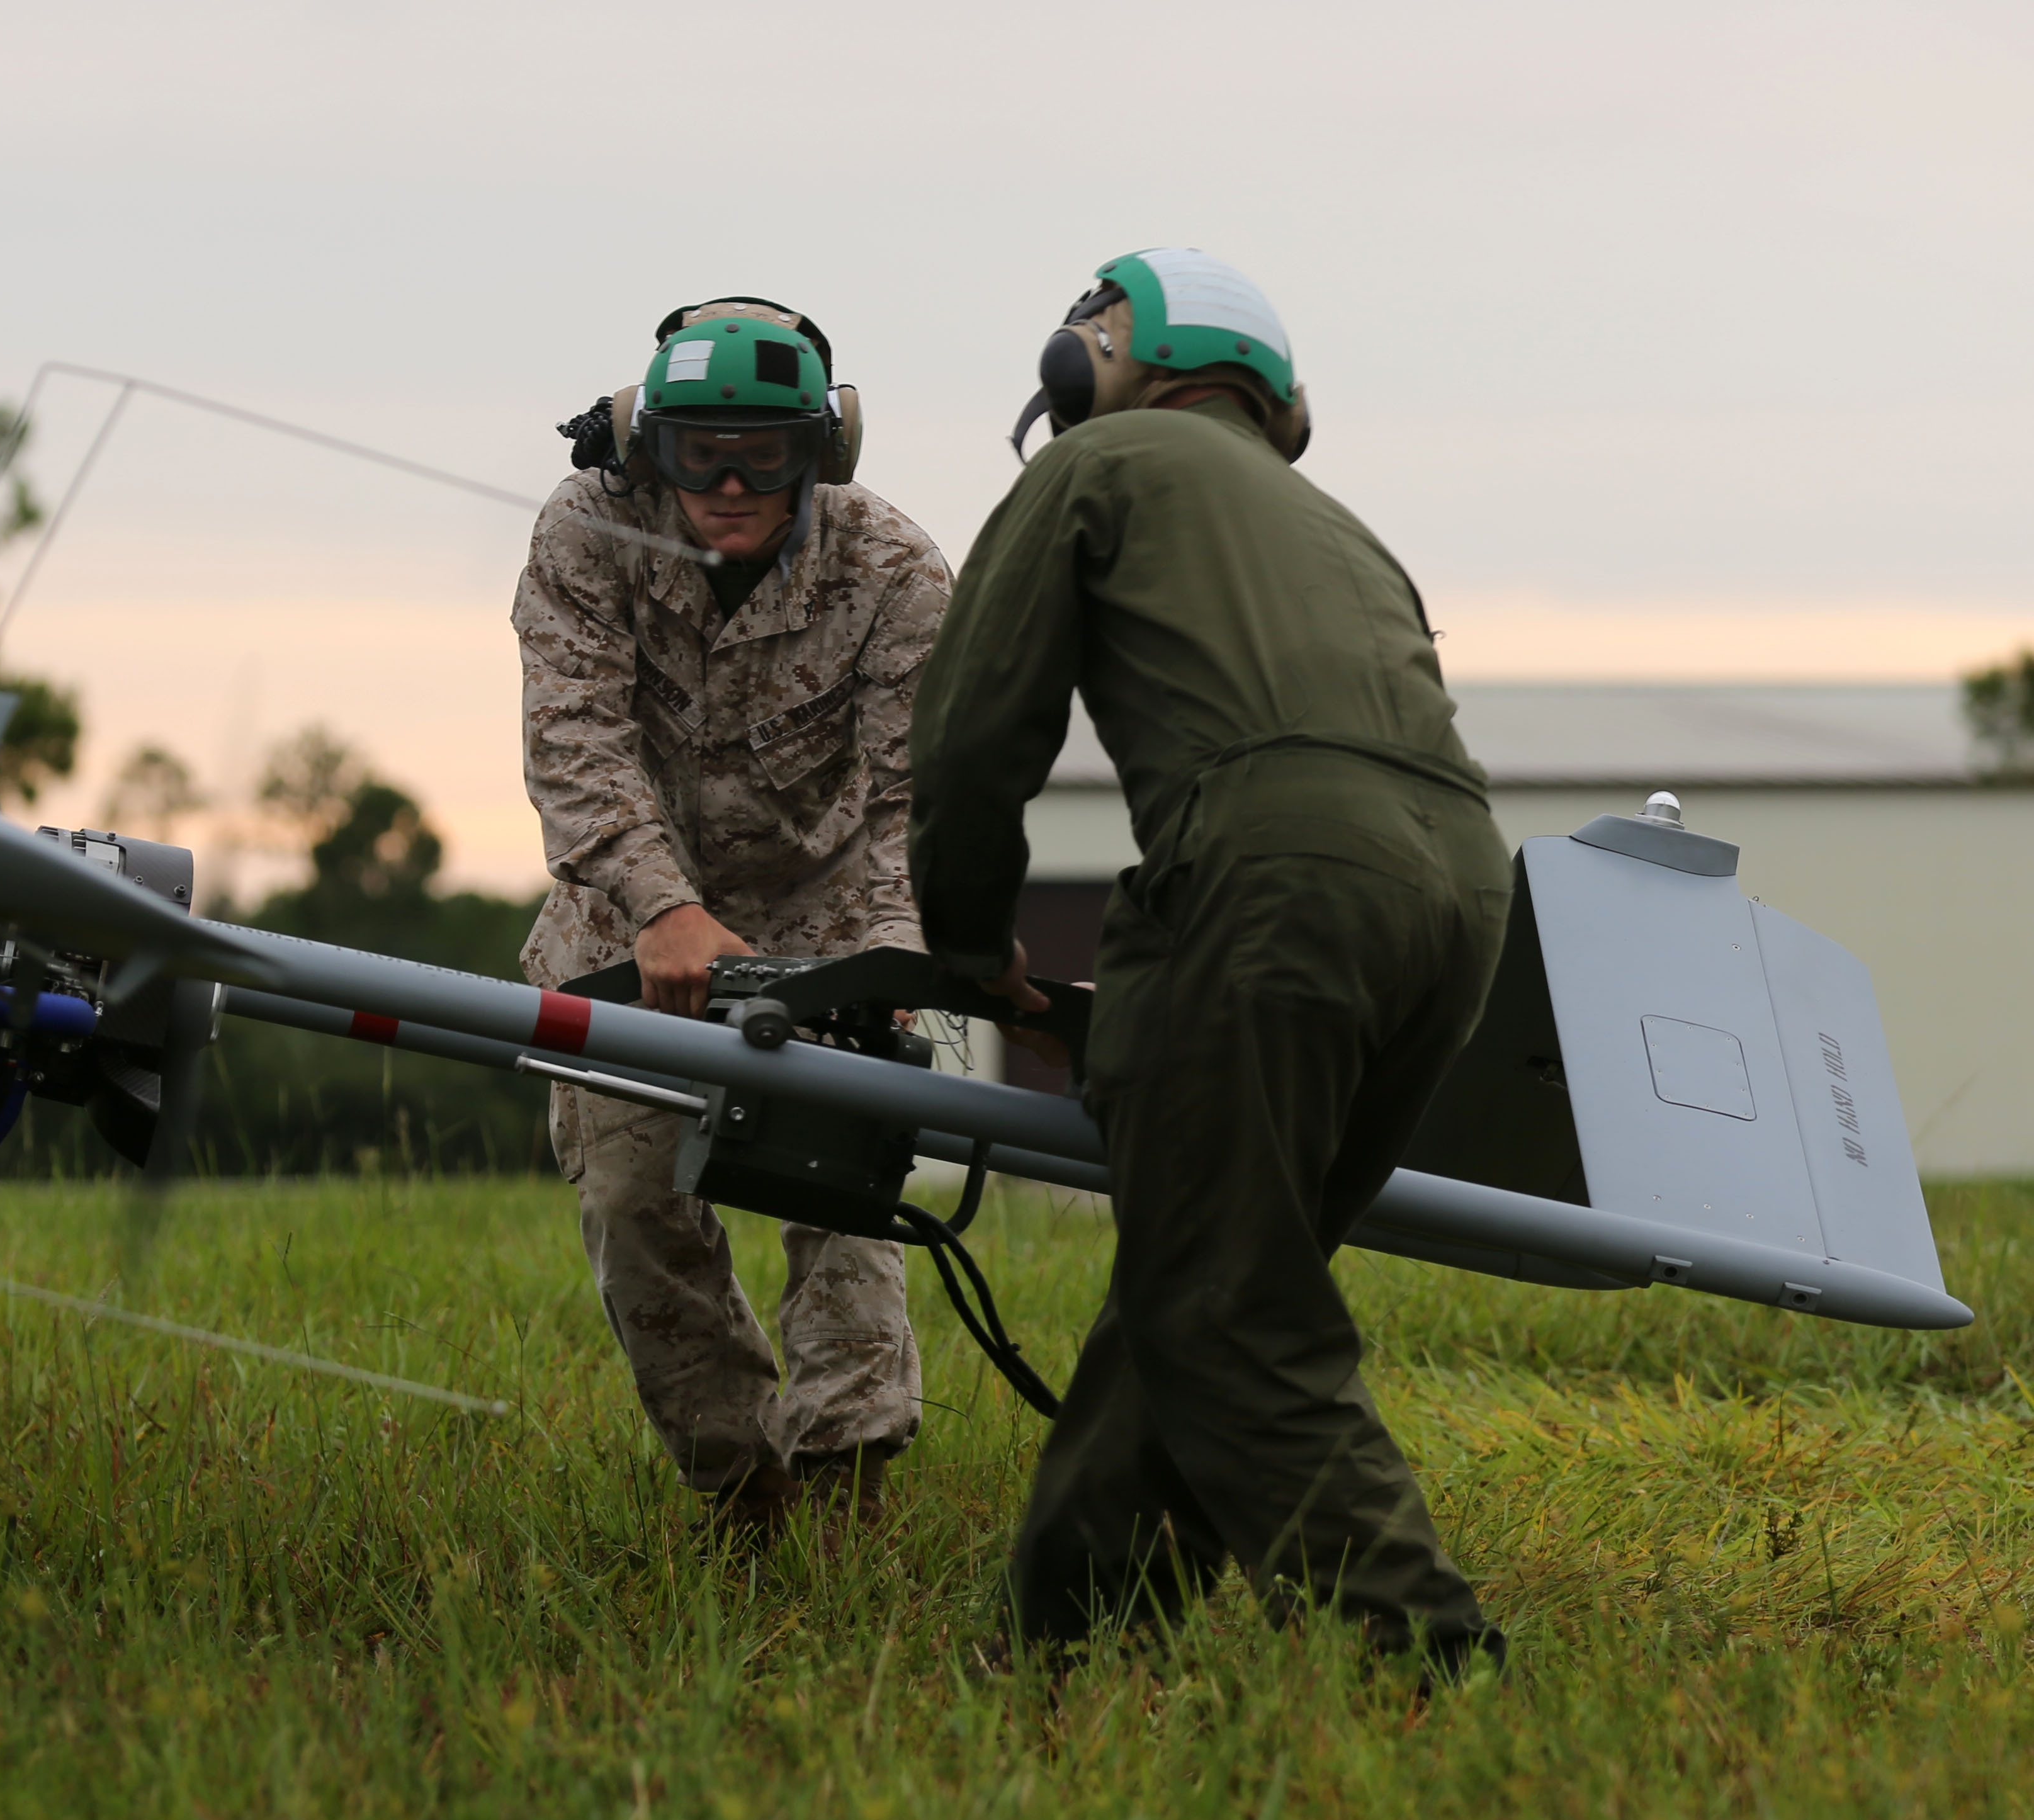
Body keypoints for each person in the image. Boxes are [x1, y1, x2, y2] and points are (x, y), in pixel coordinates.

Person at [908, 249, 1510, 1672]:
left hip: (1273, 871)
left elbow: (973, 740)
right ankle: (1065, 1648)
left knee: (1225, 1303)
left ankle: (1427, 1659)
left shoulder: (1094, 466)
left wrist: (964, 943)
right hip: (1461, 890)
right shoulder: (1342, 527)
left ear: (1101, 358)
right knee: (1204, 1262)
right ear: (1279, 400)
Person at [518, 297, 951, 1539]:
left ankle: (846, 1490)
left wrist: (886, 962)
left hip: (828, 913)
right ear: (642, 442)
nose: (725, 479)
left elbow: (909, 800)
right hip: (624, 916)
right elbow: (573, 740)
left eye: (763, 452)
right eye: (694, 446)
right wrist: (663, 909)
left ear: (822, 451)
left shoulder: (892, 568)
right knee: (634, 1198)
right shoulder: (585, 532)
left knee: (847, 1191)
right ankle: (744, 1495)